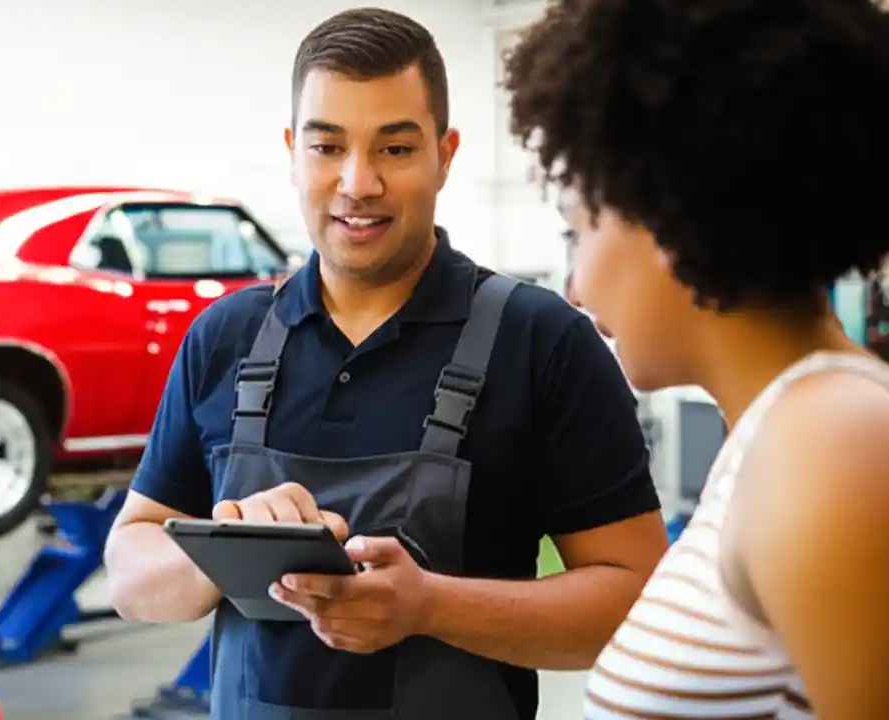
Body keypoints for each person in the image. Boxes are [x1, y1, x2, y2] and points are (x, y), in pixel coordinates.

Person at [104, 7, 670, 719]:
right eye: (328, 147)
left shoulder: (541, 341)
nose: (357, 183)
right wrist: (231, 550)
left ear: (445, 151)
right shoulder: (225, 338)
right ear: (292, 151)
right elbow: (128, 567)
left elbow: (637, 601)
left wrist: (431, 606)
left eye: (395, 149)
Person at [503, 0, 889, 718]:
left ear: (668, 209)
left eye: (579, 229)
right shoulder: (779, 441)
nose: (578, 286)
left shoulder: (830, 439)